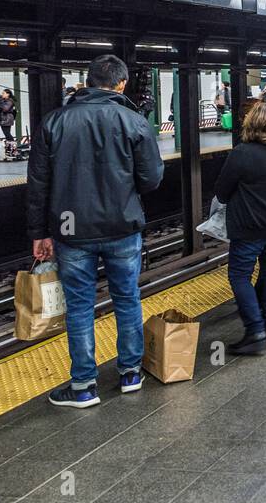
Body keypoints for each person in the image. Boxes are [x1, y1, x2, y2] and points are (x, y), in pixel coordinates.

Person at [28, 54, 164, 408]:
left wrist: (40, 232)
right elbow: (151, 179)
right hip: (122, 227)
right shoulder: (134, 122)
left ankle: (84, 385)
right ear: (121, 84)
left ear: (88, 81)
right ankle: (130, 373)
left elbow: (38, 184)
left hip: (71, 231)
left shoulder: (54, 122)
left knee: (79, 306)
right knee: (127, 297)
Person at [213, 100, 266, 355]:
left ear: (253, 123)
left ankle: (255, 329)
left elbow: (222, 192)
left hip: (249, 227)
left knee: (239, 275)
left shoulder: (243, 153)